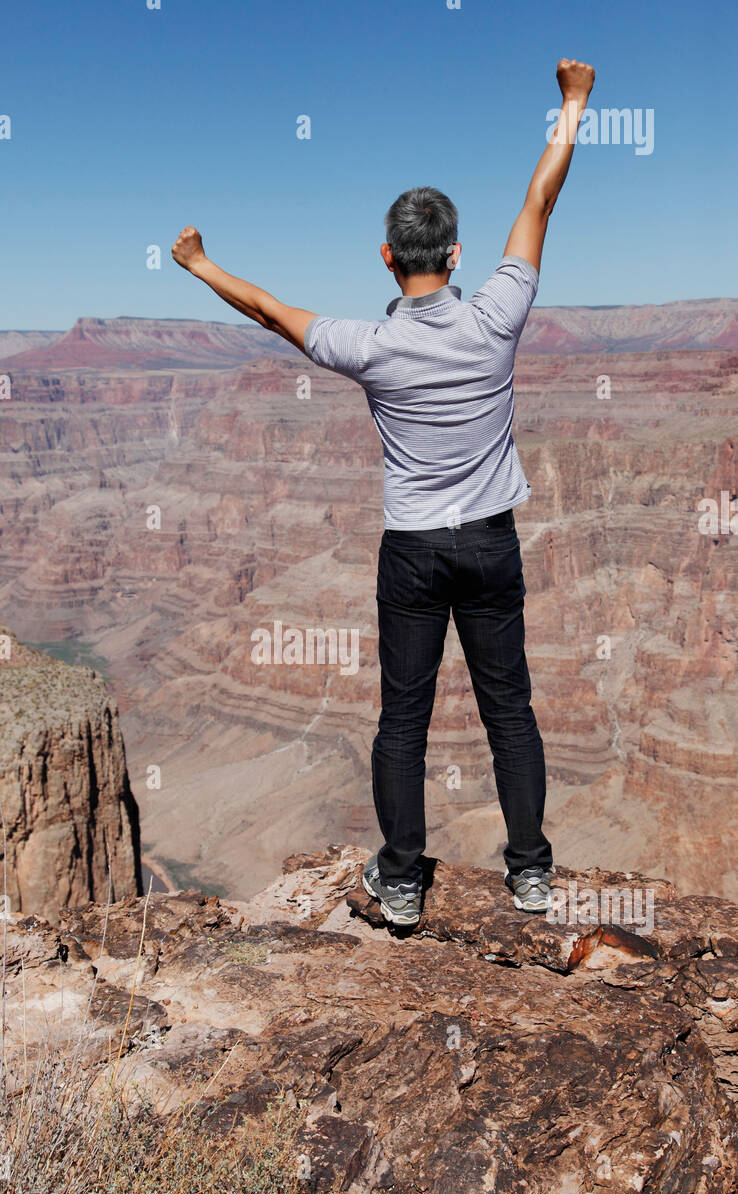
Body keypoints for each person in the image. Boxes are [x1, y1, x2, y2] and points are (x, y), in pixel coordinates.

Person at [172, 58, 597, 927]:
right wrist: (574, 104)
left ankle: (400, 881)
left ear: (387, 256)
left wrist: (198, 263)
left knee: (402, 719)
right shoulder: (496, 318)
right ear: (455, 253)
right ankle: (532, 876)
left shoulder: (364, 346)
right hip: (488, 543)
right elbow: (539, 203)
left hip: (411, 552)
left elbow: (266, 310)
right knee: (508, 709)